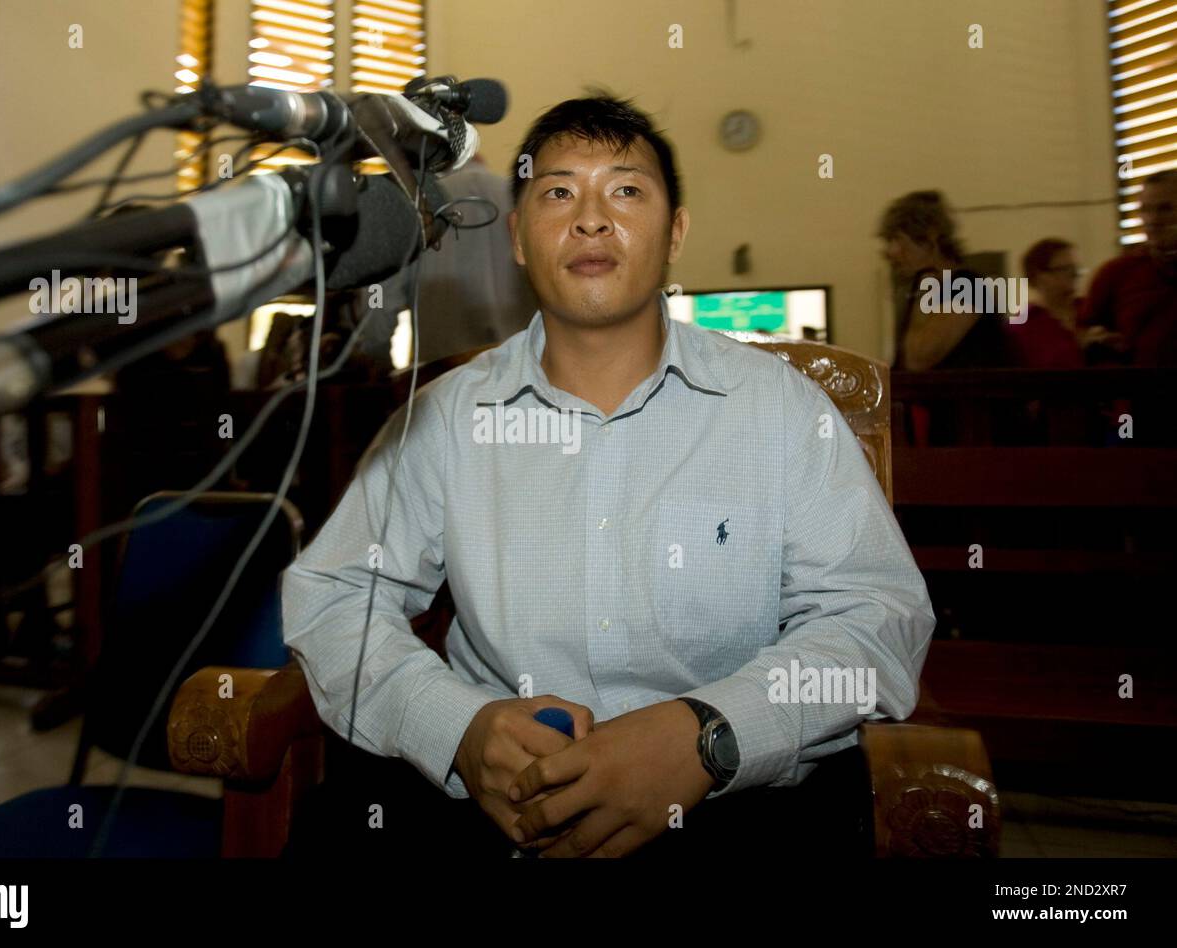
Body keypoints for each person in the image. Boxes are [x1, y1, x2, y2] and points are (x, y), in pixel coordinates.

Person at [280, 94, 935, 859]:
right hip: (488, 806)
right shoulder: (447, 417)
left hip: (735, 803)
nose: (591, 219)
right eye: (558, 192)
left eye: (626, 191)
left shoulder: (778, 408)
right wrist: (455, 726)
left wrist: (709, 733)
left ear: (677, 234)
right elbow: (334, 598)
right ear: (519, 237)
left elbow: (874, 619)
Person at [356, 153, 540, 369]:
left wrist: (377, 358)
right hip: (519, 369)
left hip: (440, 374)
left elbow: (379, 295)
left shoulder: (411, 206)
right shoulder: (522, 200)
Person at [880, 190, 1009, 370]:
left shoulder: (968, 286)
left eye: (898, 239)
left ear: (931, 237)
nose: (891, 251)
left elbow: (919, 357)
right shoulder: (924, 295)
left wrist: (924, 283)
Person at [1080, 169, 1177, 367]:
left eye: (1165, 209)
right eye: (1145, 210)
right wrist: (1099, 341)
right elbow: (1084, 333)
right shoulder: (1117, 273)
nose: (1153, 220)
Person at [1004, 238, 1086, 369]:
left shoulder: (1092, 309)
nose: (1075, 275)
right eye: (1065, 269)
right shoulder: (1022, 325)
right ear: (1038, 276)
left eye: (1076, 269)